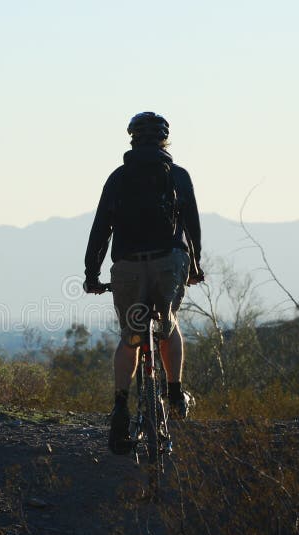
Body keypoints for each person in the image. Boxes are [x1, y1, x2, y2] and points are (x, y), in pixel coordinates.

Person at [83, 111, 203, 455]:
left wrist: (92, 274)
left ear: (132, 140)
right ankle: (176, 392)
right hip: (169, 263)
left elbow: (101, 229)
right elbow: (192, 224)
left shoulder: (118, 178)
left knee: (131, 336)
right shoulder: (178, 175)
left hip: (129, 267)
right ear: (165, 140)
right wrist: (194, 265)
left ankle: (121, 407)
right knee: (168, 324)